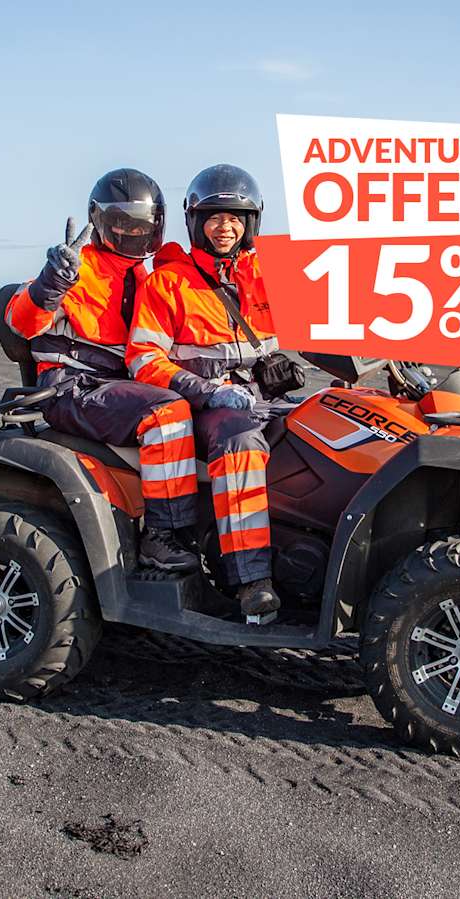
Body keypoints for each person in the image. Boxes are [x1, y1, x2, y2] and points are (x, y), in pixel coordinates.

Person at [5, 168, 202, 572]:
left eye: (142, 224)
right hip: (73, 387)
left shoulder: (151, 273)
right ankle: (160, 538)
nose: (132, 232)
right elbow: (21, 322)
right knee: (168, 416)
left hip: (122, 388)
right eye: (121, 222)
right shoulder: (76, 270)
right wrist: (51, 282)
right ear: (100, 221)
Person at [126, 164, 287, 617]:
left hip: (261, 396)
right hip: (207, 406)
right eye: (215, 217)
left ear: (250, 223)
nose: (225, 228)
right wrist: (206, 392)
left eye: (236, 218)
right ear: (196, 223)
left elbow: (331, 306)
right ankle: (251, 580)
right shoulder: (168, 282)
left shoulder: (264, 274)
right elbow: (143, 358)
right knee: (239, 442)